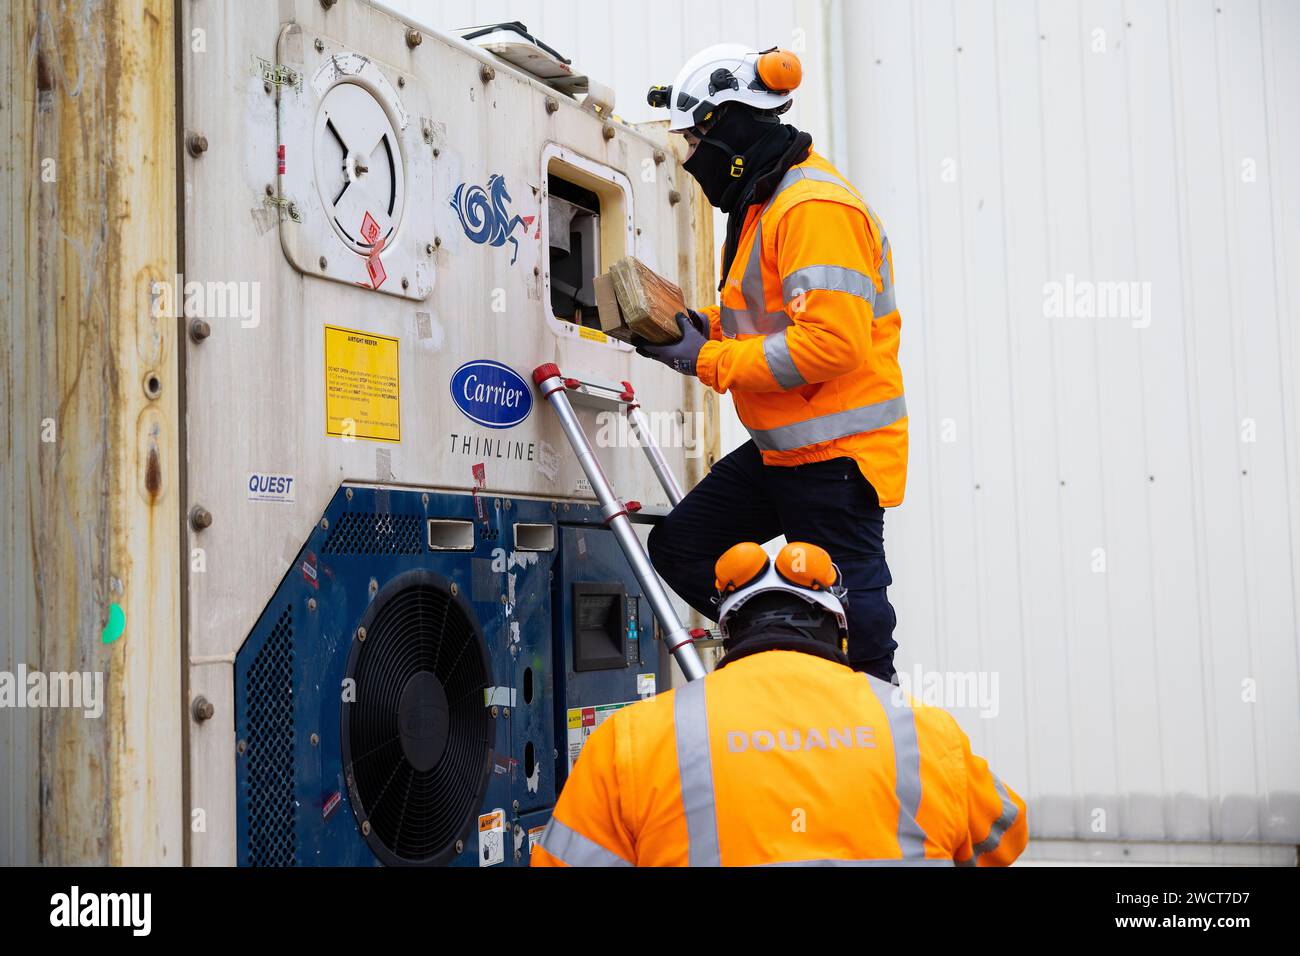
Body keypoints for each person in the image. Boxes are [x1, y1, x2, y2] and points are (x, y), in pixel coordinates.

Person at [636, 45, 908, 682]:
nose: (691, 158)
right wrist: (700, 326)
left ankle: (868, 720)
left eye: (694, 139)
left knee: (861, 630)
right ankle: (786, 658)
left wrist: (708, 358)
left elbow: (833, 344)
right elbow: (767, 315)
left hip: (837, 456)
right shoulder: (767, 200)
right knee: (682, 548)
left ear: (728, 125)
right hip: (786, 451)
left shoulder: (812, 208)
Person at [532, 542, 1027, 867]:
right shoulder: (922, 731)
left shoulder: (632, 739)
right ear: (840, 630)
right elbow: (1005, 836)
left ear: (728, 634)